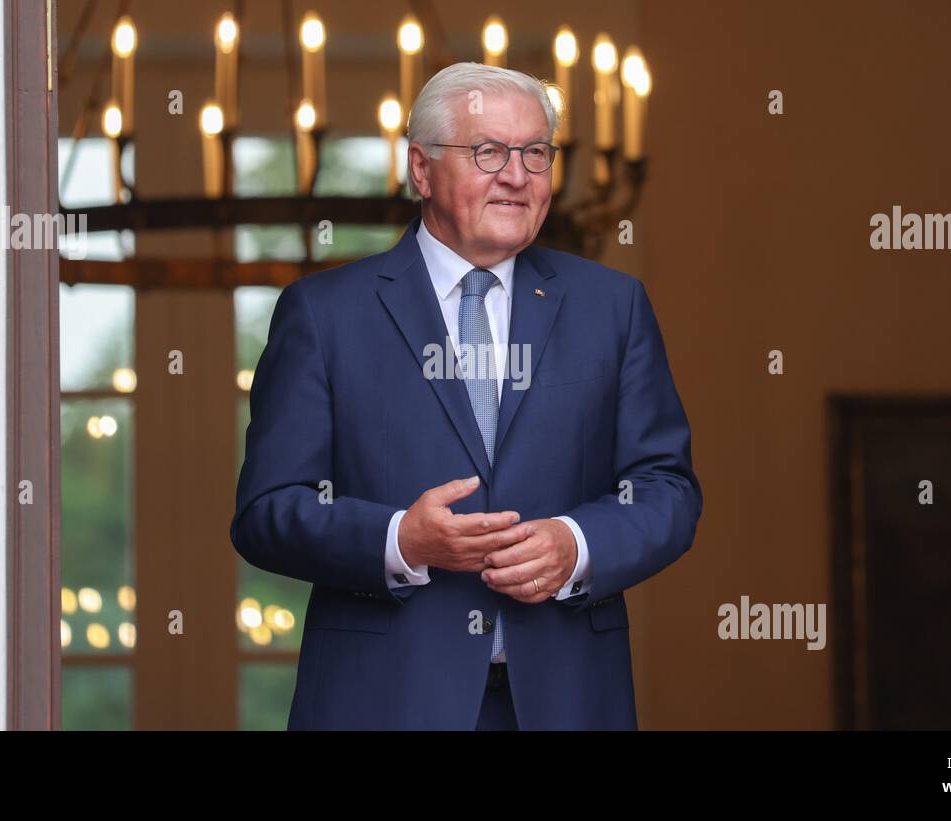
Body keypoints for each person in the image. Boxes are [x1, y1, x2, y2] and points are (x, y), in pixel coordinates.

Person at [230, 61, 702, 730]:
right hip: (383, 703)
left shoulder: (612, 307)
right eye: (488, 152)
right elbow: (268, 511)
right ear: (421, 169)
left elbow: (668, 488)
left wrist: (577, 545)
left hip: (566, 701)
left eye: (536, 153)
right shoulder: (325, 314)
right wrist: (402, 540)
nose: (517, 174)